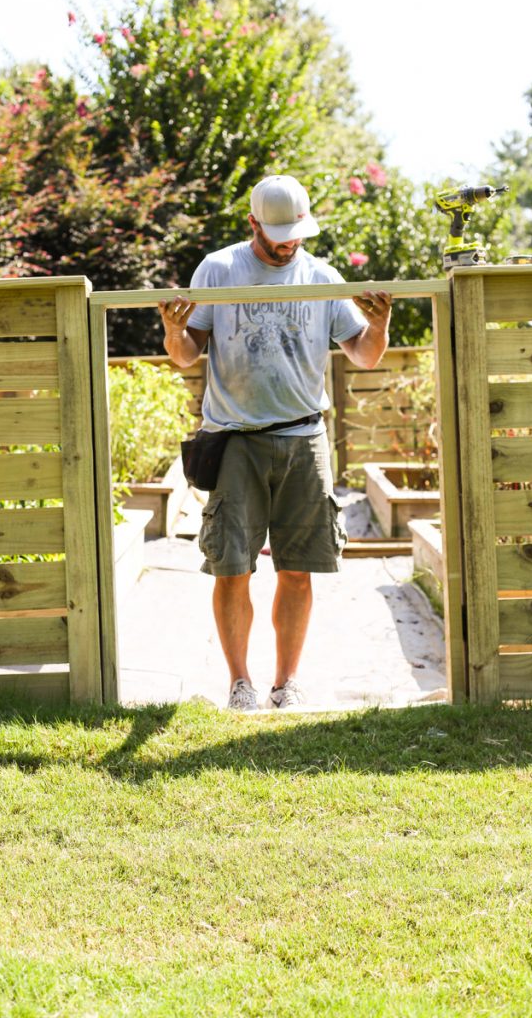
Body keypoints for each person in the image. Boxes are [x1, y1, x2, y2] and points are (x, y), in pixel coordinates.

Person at [158, 174, 391, 712]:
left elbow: (364, 355)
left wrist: (378, 326)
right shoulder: (219, 269)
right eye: (278, 235)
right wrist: (173, 331)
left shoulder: (322, 277)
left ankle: (287, 683)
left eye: (296, 235)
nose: (289, 245)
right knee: (230, 568)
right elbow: (187, 353)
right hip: (235, 440)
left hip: (304, 437)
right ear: (253, 223)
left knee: (299, 569)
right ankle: (240, 683)